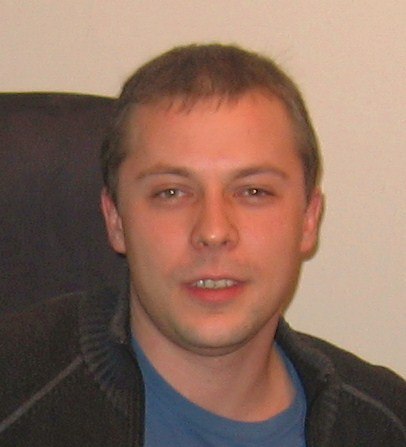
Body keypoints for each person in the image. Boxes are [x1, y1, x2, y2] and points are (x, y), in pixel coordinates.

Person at [0, 44, 405, 446]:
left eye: (254, 192)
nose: (213, 231)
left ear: (308, 220)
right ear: (116, 220)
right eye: (171, 193)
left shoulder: (386, 424)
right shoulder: (14, 399)